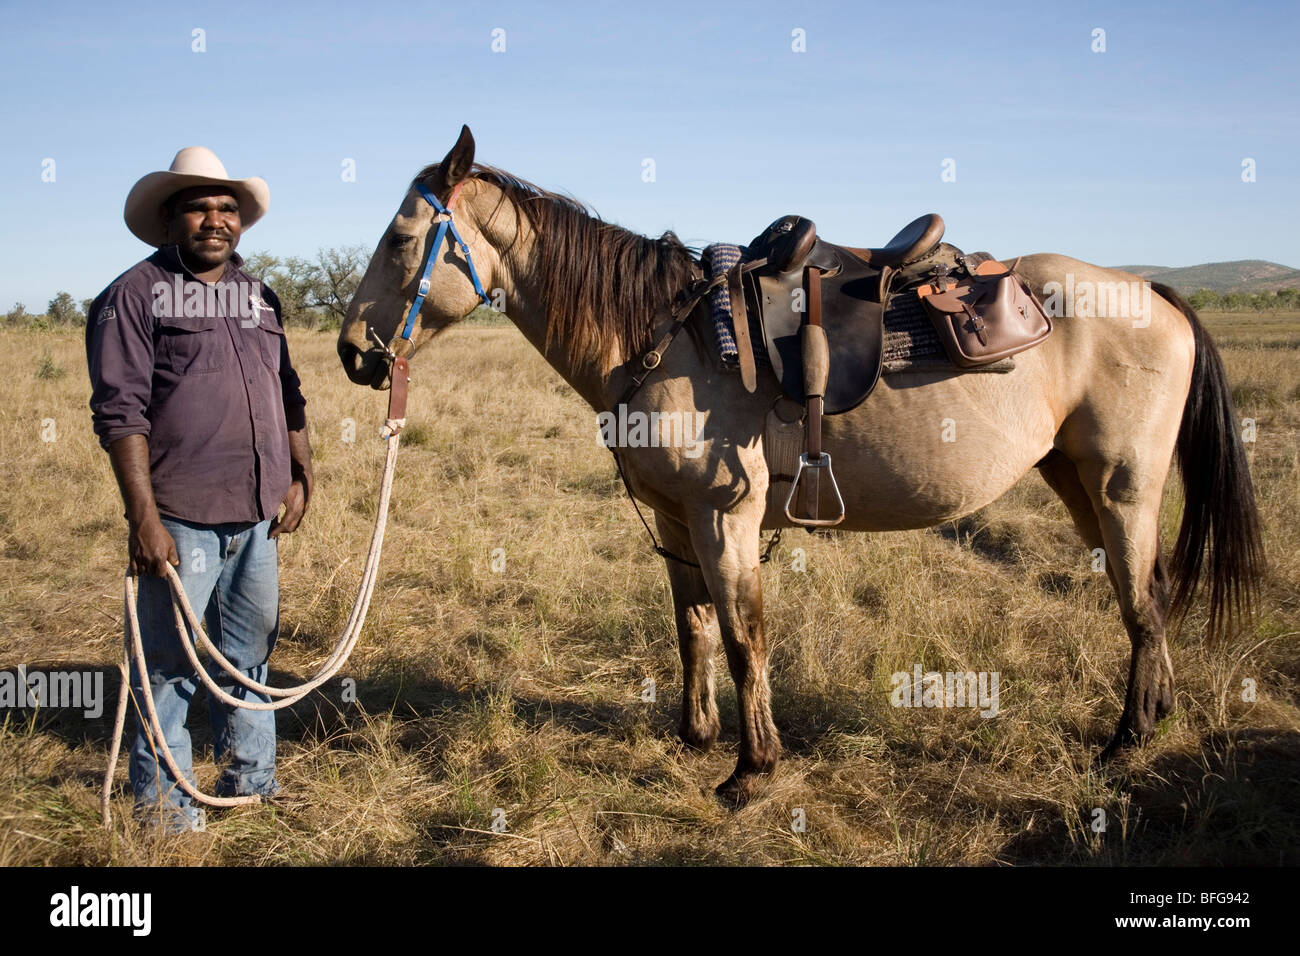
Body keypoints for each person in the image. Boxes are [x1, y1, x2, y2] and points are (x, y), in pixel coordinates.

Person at [85, 147, 312, 833]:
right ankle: (164, 810)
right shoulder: (133, 296)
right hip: (180, 515)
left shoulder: (258, 295)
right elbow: (120, 414)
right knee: (168, 666)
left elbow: (288, 390)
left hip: (258, 512)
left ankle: (253, 780)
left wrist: (302, 473)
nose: (216, 220)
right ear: (169, 219)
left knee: (250, 656)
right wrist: (143, 519)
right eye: (199, 207)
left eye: (227, 208)